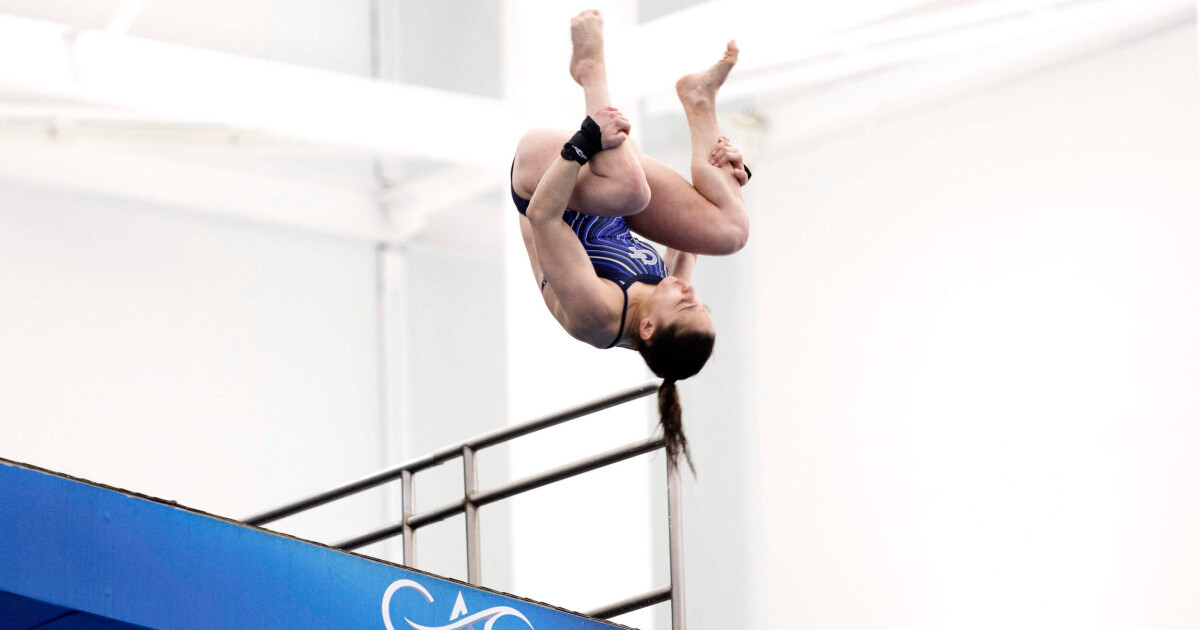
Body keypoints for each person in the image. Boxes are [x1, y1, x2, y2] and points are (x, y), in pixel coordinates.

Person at [509, 10, 750, 471]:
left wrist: (585, 141)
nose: (688, 291)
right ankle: (700, 100)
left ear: (647, 329)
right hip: (613, 177)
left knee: (630, 190)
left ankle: (590, 71)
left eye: (686, 305)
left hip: (544, 175)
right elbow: (690, 238)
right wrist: (732, 178)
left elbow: (542, 217)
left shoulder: (597, 315)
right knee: (731, 232)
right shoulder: (666, 292)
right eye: (701, 302)